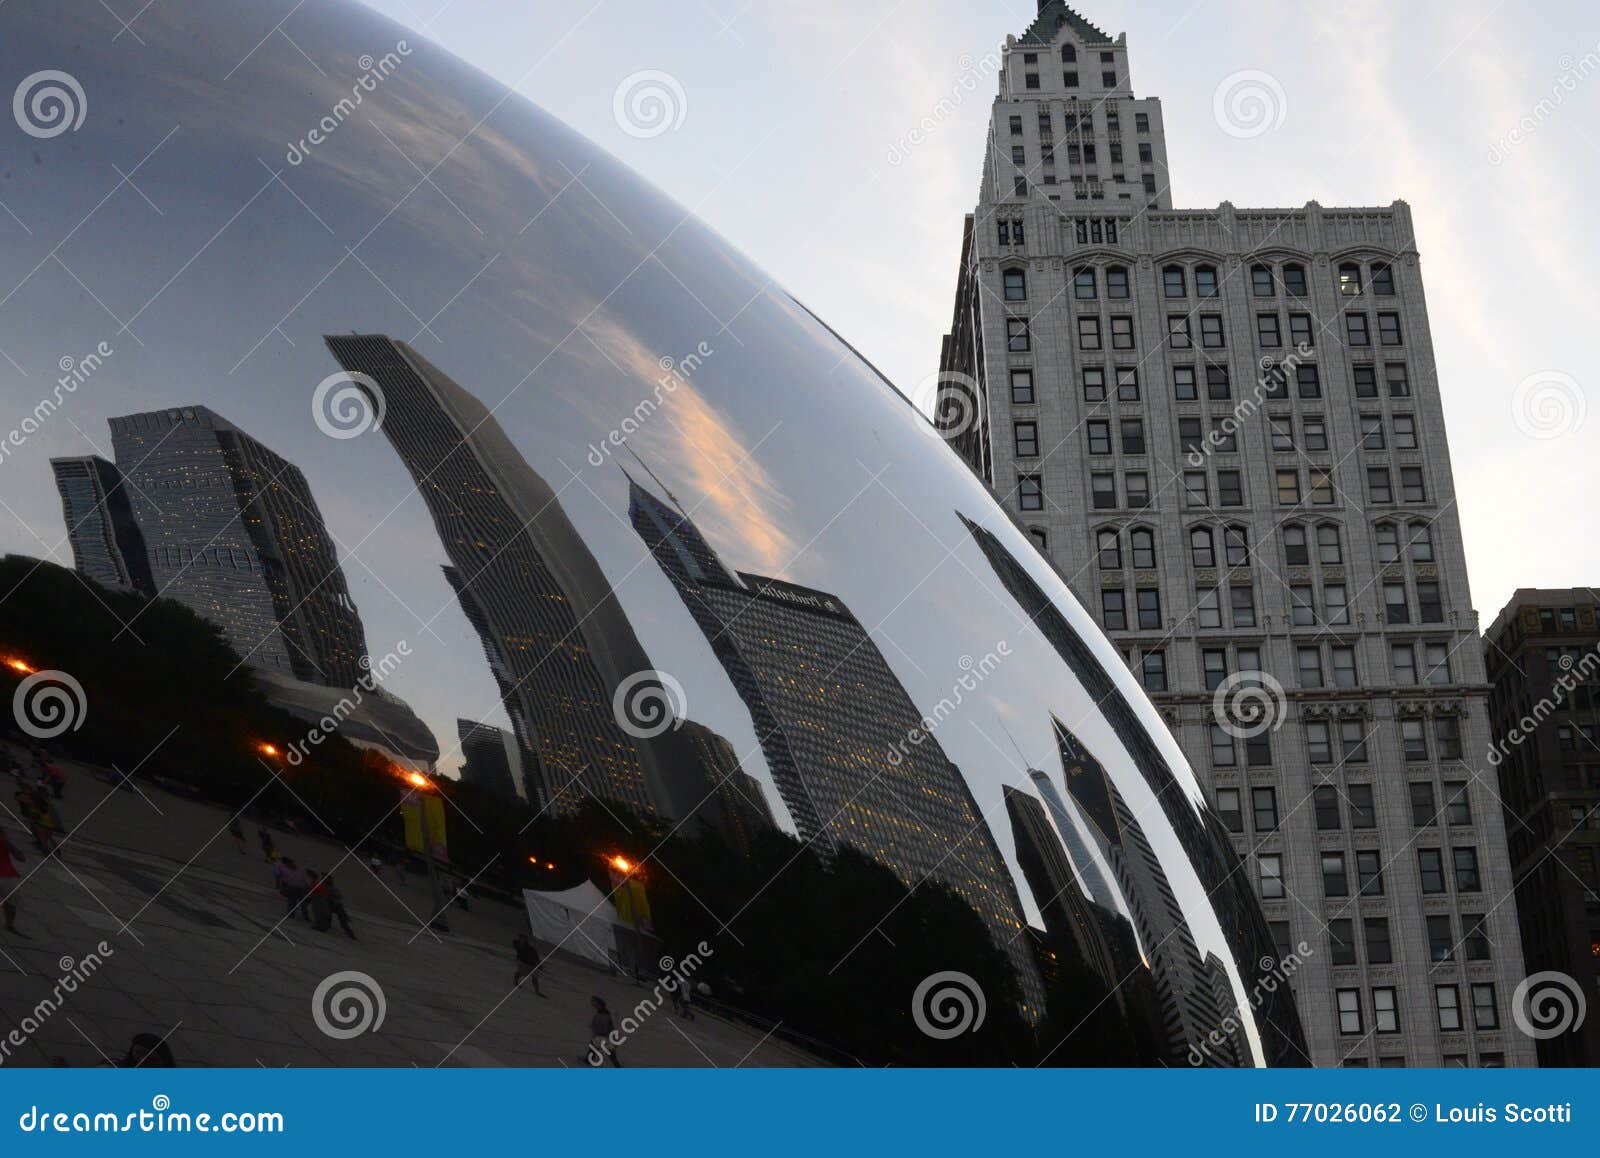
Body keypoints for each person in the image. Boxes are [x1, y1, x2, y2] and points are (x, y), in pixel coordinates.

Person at [0, 826, 23, 933]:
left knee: (11, 901)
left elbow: (21, 858)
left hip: (7, 874)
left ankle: (9, 924)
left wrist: (7, 843)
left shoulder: (4, 840)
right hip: (7, 874)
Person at [588, 996, 621, 1067]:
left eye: (594, 1003)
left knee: (610, 1052)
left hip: (605, 1037)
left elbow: (603, 1028)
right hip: (607, 1036)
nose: (592, 1004)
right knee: (594, 1046)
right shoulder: (604, 1014)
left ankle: (618, 1067)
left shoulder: (602, 1016)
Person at [512, 932, 546, 997]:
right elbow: (515, 945)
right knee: (522, 973)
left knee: (535, 977)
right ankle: (515, 981)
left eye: (523, 939)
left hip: (531, 964)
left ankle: (537, 991)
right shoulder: (518, 945)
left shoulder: (530, 948)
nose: (522, 940)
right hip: (523, 962)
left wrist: (539, 964)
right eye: (521, 939)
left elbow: (536, 957)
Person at [323, 873, 356, 939]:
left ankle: (350, 934)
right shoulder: (328, 887)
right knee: (329, 916)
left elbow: (338, 896)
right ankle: (327, 926)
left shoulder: (331, 888)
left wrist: (331, 898)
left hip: (335, 906)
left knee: (343, 922)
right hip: (332, 905)